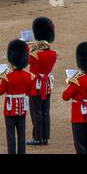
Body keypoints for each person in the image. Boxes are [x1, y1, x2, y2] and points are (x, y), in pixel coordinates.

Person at [0, 39, 34, 155]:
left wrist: (2, 79)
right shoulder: (29, 76)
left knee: (11, 134)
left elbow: (0, 91)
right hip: (22, 108)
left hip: (9, 109)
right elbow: (30, 91)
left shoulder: (7, 76)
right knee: (22, 133)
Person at [28, 16, 57, 146]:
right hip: (47, 85)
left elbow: (25, 61)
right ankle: (45, 137)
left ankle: (38, 137)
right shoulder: (53, 54)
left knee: (36, 112)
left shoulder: (34, 54)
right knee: (45, 111)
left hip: (35, 85)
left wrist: (32, 48)